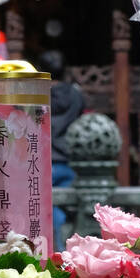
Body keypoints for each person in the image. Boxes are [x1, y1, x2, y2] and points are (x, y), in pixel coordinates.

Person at [40, 49, 84, 251]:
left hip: (44, 161)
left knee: (47, 209)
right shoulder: (76, 94)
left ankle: (55, 252)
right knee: (72, 208)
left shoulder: (37, 96)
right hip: (70, 160)